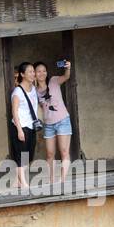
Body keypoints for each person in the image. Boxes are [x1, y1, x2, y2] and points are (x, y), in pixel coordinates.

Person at [35, 59, 73, 189]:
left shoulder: (54, 81)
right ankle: (51, 180)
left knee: (63, 151)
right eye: (38, 71)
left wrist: (68, 67)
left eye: (44, 71)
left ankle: (62, 181)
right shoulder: (34, 91)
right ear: (34, 73)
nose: (42, 73)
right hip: (48, 125)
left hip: (63, 120)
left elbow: (67, 76)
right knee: (50, 154)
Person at [7, 62, 40, 192]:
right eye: (30, 72)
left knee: (29, 155)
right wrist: (20, 130)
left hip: (30, 126)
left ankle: (17, 181)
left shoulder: (33, 89)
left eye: (33, 71)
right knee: (22, 156)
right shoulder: (17, 92)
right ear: (22, 74)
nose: (33, 74)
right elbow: (14, 112)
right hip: (20, 127)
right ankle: (24, 183)